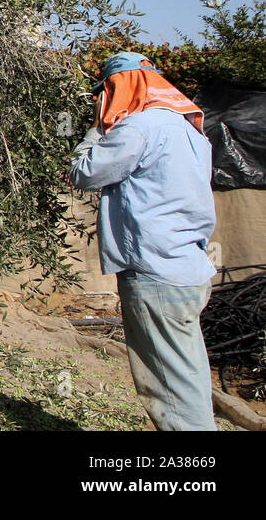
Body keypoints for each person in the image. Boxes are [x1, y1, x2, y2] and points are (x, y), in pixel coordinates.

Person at [68, 51, 218, 431]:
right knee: (188, 378)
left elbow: (84, 173)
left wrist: (96, 131)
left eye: (107, 91)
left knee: (171, 394)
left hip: (155, 275)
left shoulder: (138, 129)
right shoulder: (189, 130)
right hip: (187, 270)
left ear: (120, 87)